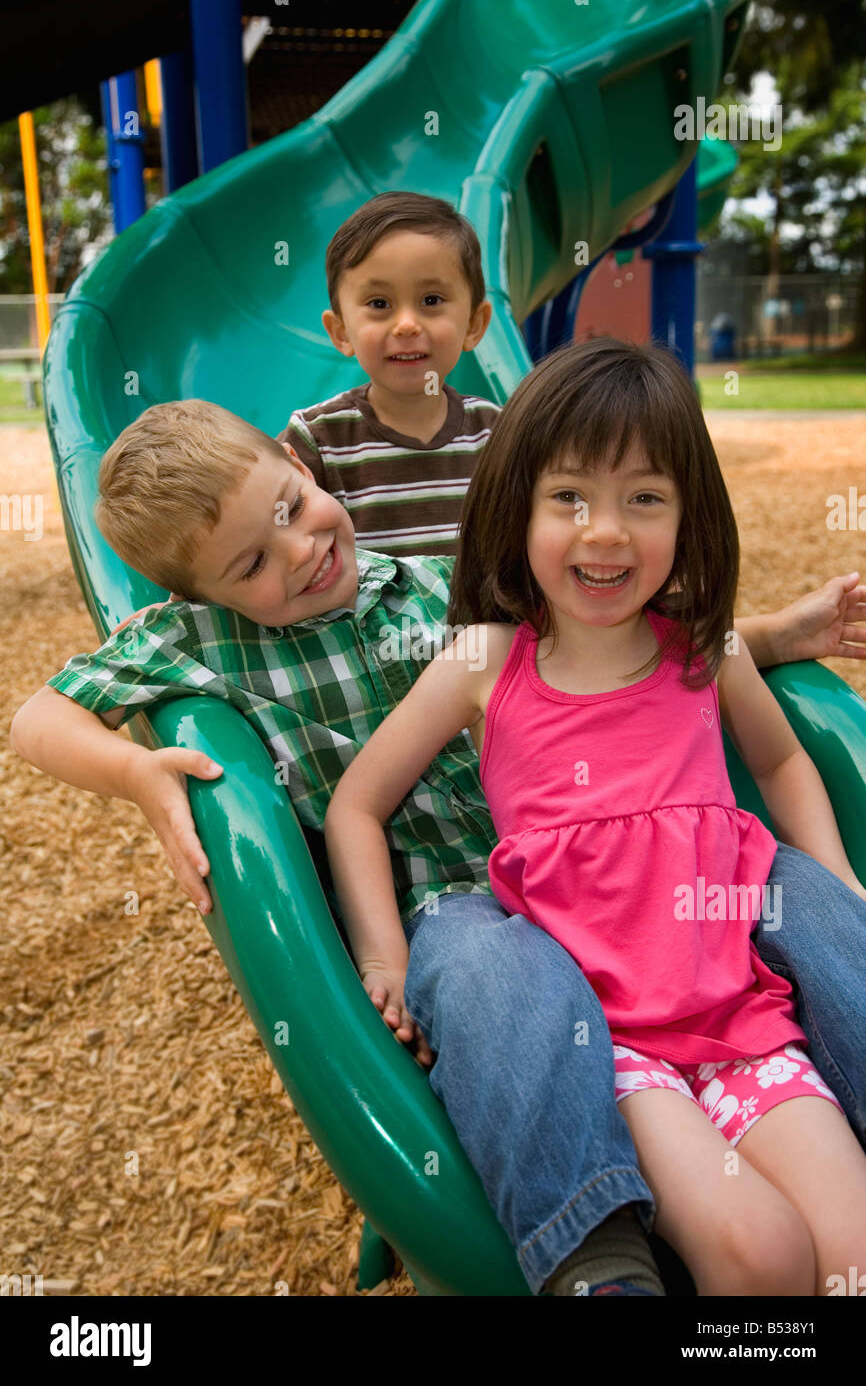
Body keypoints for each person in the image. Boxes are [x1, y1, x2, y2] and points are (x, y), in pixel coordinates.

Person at [11, 401, 866, 1298]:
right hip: (449, 904)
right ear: (202, 594)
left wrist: (771, 636)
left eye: (290, 509)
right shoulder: (200, 642)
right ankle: (594, 1251)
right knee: (506, 975)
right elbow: (38, 720)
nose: (300, 551)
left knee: (798, 891)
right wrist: (140, 772)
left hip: (587, 880)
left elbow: (613, 635)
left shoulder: (434, 587)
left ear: (302, 470)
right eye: (253, 564)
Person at [323, 338, 866, 1296]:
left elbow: (782, 760)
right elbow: (358, 804)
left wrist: (836, 883)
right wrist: (382, 956)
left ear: (689, 514)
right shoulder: (488, 660)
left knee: (852, 1250)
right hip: (604, 1043)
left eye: (644, 498)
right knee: (762, 1254)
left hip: (742, 1015)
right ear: (516, 506)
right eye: (569, 497)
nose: (605, 532)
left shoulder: (702, 643)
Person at [275, 190, 496, 558]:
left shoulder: (496, 434)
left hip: (475, 618)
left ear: (474, 324)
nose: (407, 324)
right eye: (379, 304)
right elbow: (254, 520)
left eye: (431, 300)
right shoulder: (317, 440)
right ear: (341, 332)